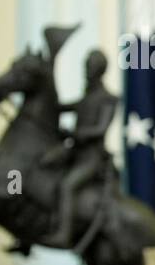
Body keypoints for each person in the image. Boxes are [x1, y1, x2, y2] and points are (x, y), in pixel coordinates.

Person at [39, 49, 117, 251]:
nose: (86, 69)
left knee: (67, 185)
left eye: (90, 66)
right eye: (86, 65)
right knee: (40, 169)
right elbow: (57, 107)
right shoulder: (85, 98)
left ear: (99, 70)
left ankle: (63, 234)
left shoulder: (108, 98)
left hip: (91, 158)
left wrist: (76, 134)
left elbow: (100, 129)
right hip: (74, 152)